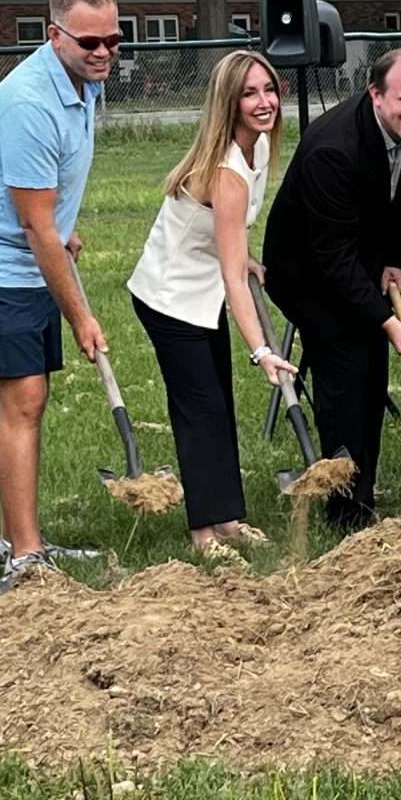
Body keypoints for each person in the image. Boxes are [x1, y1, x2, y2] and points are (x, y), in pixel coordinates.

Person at [0, 0, 115, 582]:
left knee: (32, 402)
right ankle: (23, 555)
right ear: (54, 36)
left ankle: (25, 538)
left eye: (113, 41)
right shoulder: (29, 103)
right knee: (23, 400)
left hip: (31, 254)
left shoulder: (82, 85)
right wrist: (81, 315)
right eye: (89, 42)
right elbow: (33, 226)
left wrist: (58, 228)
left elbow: (43, 213)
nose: (103, 53)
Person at [261, 45, 401, 529]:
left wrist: (394, 260)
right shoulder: (331, 149)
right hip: (305, 270)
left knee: (371, 371)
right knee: (344, 368)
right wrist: (386, 321)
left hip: (357, 251)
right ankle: (344, 509)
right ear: (375, 94)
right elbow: (331, 257)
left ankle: (362, 488)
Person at [124, 49, 293, 551]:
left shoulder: (255, 148)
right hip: (170, 297)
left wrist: (246, 257)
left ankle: (227, 518)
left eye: (269, 89)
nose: (264, 102)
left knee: (217, 402)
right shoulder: (226, 174)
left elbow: (229, 243)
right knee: (201, 409)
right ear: (229, 103)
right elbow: (230, 275)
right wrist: (261, 350)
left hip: (202, 290)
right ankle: (204, 531)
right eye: (250, 93)